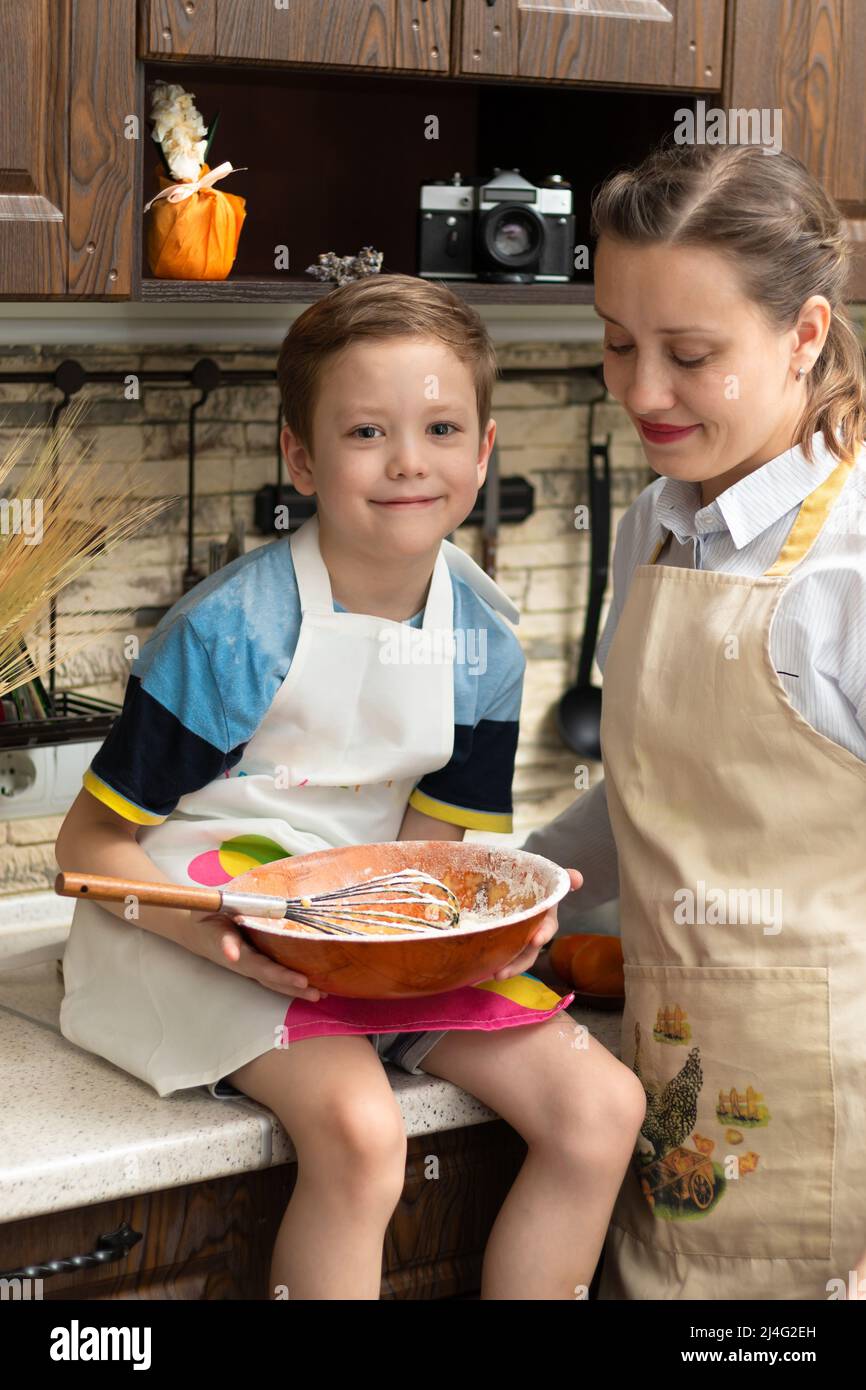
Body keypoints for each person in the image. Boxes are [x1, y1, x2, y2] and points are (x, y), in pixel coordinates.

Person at [55, 273, 646, 1300]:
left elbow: (439, 851)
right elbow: (86, 852)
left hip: (368, 928)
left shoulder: (485, 644)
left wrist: (477, 930)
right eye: (366, 431)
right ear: (301, 454)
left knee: (602, 1110)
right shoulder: (230, 634)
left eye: (441, 427)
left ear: (483, 449)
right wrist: (216, 934)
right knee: (365, 1131)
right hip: (191, 925)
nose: (409, 462)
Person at [523, 137, 866, 1300]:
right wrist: (496, 897)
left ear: (803, 335)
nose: (639, 391)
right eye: (618, 343)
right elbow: (656, 787)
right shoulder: (660, 525)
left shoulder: (851, 567)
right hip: (680, 1132)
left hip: (838, 1172)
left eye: (689, 355)